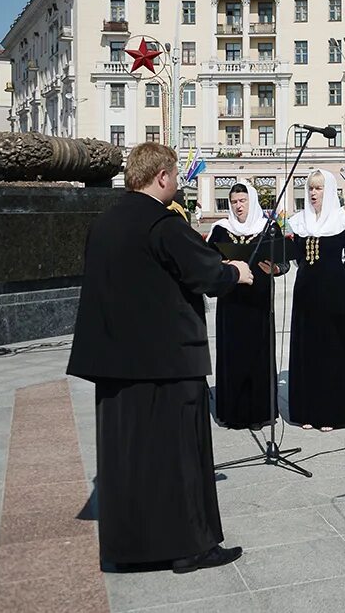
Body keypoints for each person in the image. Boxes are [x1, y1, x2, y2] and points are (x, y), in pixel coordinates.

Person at [68, 142, 252, 573]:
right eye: (175, 176)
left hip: (116, 364)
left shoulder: (104, 224)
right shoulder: (163, 224)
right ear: (163, 177)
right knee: (181, 457)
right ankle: (192, 546)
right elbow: (207, 273)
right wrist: (235, 273)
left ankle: (128, 549)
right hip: (169, 363)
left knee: (127, 458)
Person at [207, 182, 287, 430]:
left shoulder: (268, 228)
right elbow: (208, 263)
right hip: (231, 302)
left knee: (258, 354)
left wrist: (275, 268)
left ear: (251, 201)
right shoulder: (220, 230)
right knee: (233, 354)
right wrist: (223, 265)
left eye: (242, 201)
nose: (238, 206)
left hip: (259, 302)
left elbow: (283, 261)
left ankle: (259, 413)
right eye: (233, 202)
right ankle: (234, 413)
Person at [287, 169, 345, 431]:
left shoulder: (344, 221)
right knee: (307, 348)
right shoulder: (300, 222)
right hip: (305, 292)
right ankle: (307, 411)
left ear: (328, 191)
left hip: (333, 295)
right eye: (310, 188)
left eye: (318, 188)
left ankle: (331, 413)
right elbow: (296, 256)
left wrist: (337, 276)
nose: (313, 193)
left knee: (331, 349)